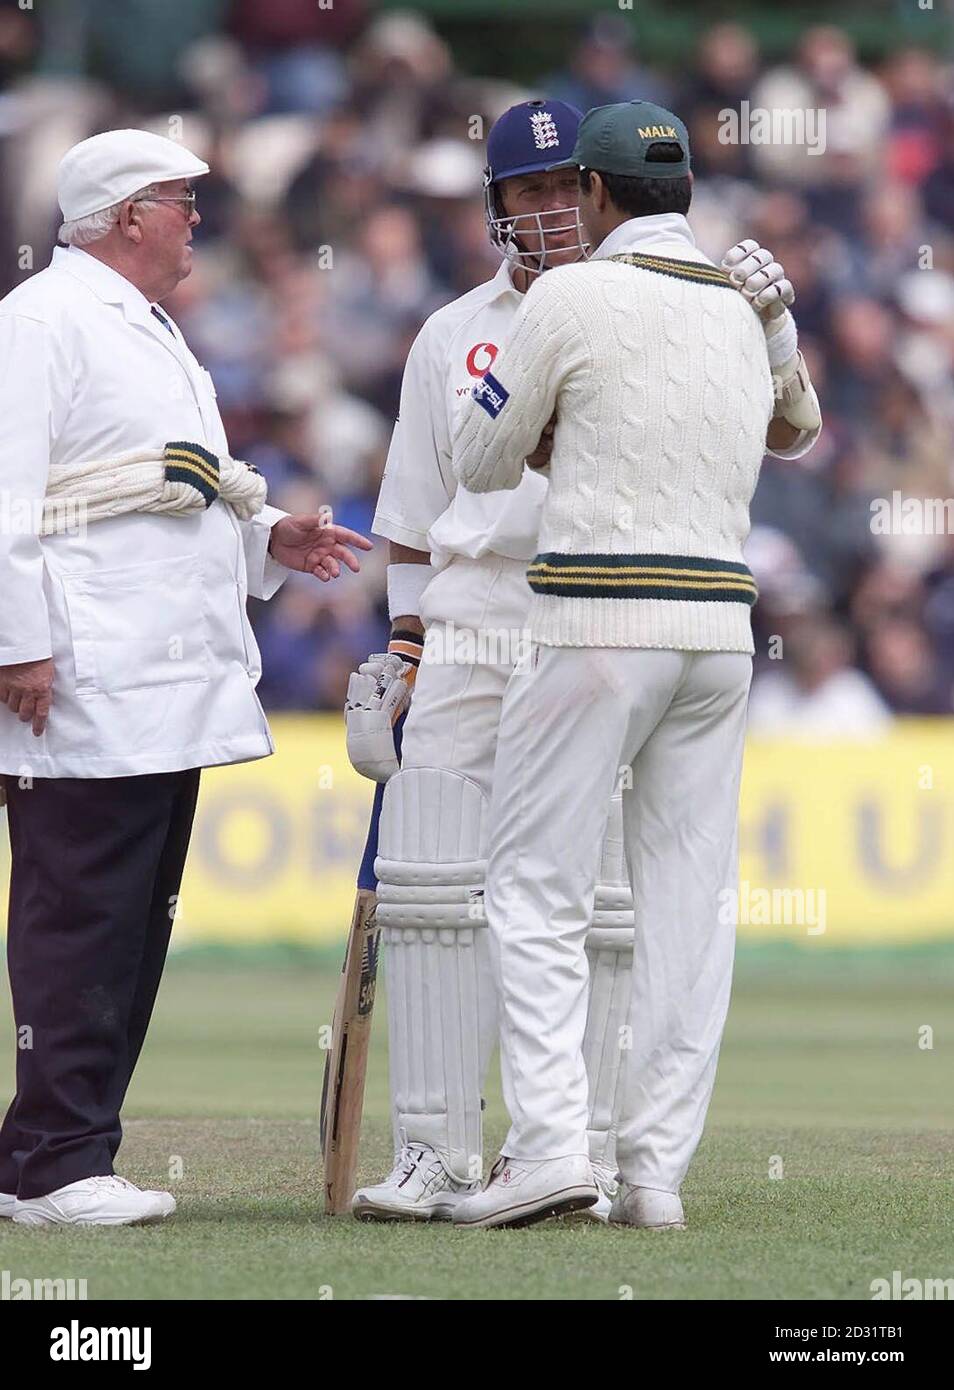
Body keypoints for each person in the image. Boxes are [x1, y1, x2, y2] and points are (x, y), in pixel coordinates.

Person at [344, 99, 812, 1223]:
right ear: (498, 204)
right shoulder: (464, 327)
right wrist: (405, 643)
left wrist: (554, 416)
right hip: (611, 624)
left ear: (596, 196)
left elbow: (488, 453)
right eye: (528, 192)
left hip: (586, 617)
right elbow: (421, 514)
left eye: (568, 189)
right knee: (448, 894)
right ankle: (460, 1150)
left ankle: (571, 1148)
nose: (552, 211)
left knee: (568, 900)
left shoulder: (576, 300)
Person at [0, 128, 370, 1228]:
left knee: (128, 920)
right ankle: (56, 1162)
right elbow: (9, 496)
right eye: (179, 201)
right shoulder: (41, 323)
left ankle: (58, 1153)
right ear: (125, 218)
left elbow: (166, 492)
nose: (197, 220)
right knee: (81, 917)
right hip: (85, 675)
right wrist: (17, 639)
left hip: (152, 683)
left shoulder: (147, 328)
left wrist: (269, 544)